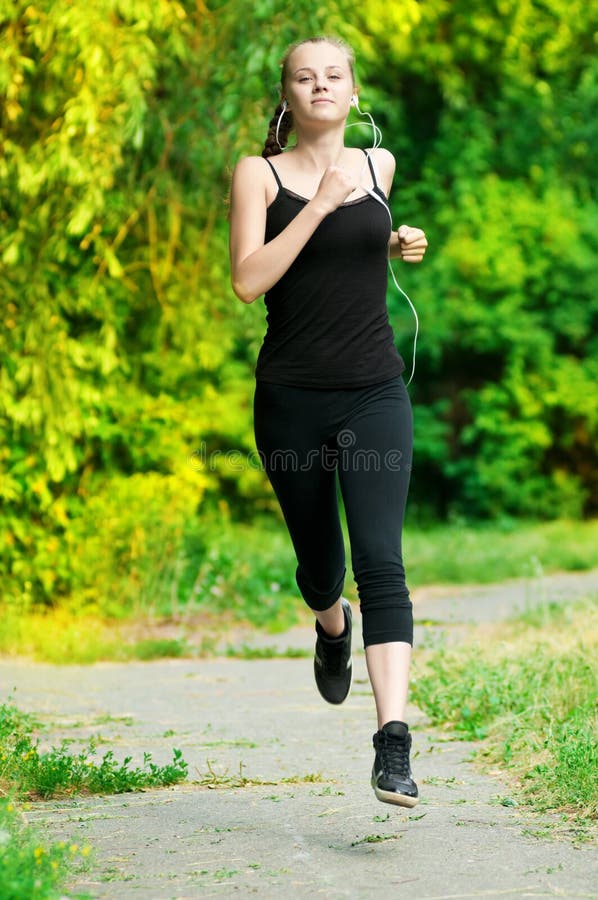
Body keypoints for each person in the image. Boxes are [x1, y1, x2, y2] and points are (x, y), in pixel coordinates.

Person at [228, 35, 428, 808]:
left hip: (374, 390)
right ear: (287, 95)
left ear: (352, 93)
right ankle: (330, 625)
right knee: (321, 566)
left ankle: (393, 744)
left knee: (382, 562)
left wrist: (397, 240)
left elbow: (358, 251)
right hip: (292, 399)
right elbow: (249, 280)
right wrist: (318, 205)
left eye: (333, 75)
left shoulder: (379, 167)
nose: (320, 86)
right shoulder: (259, 174)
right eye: (305, 77)